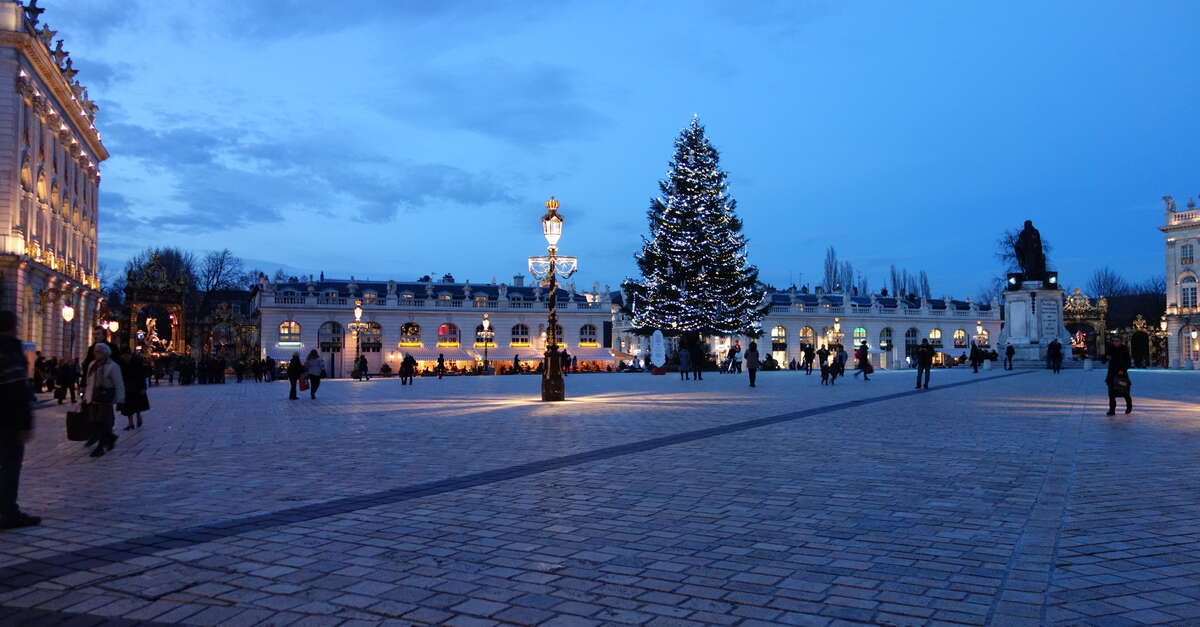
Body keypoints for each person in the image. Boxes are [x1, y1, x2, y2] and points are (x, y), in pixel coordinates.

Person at [0, 311, 39, 529]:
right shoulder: (10, 349)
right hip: (9, 419)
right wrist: (25, 422)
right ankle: (8, 512)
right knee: (10, 465)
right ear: (13, 327)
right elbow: (17, 387)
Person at [83, 343, 124, 458]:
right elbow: (89, 382)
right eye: (95, 351)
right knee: (94, 422)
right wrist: (86, 396)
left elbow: (118, 383)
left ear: (105, 353)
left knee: (102, 422)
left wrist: (120, 399)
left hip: (105, 398)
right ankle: (110, 437)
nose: (96, 354)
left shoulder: (112, 366)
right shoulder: (92, 365)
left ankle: (100, 447)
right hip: (93, 397)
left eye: (99, 351)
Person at [118, 348, 150, 430]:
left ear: (130, 355)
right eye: (123, 355)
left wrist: (143, 387)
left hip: (136, 387)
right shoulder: (121, 363)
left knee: (137, 404)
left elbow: (141, 375)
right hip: (126, 387)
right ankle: (130, 423)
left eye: (126, 355)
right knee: (127, 407)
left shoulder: (137, 362)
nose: (125, 357)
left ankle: (138, 416)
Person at [1106, 336, 1133, 416]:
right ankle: (1112, 409)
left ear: (1121, 341)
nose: (1115, 342)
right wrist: (1106, 357)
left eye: (1117, 341)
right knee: (1111, 393)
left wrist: (1123, 370)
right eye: (1114, 341)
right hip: (1112, 374)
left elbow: (1128, 362)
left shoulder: (1124, 349)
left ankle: (1129, 407)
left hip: (1122, 374)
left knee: (1125, 392)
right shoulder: (1110, 349)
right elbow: (1104, 359)